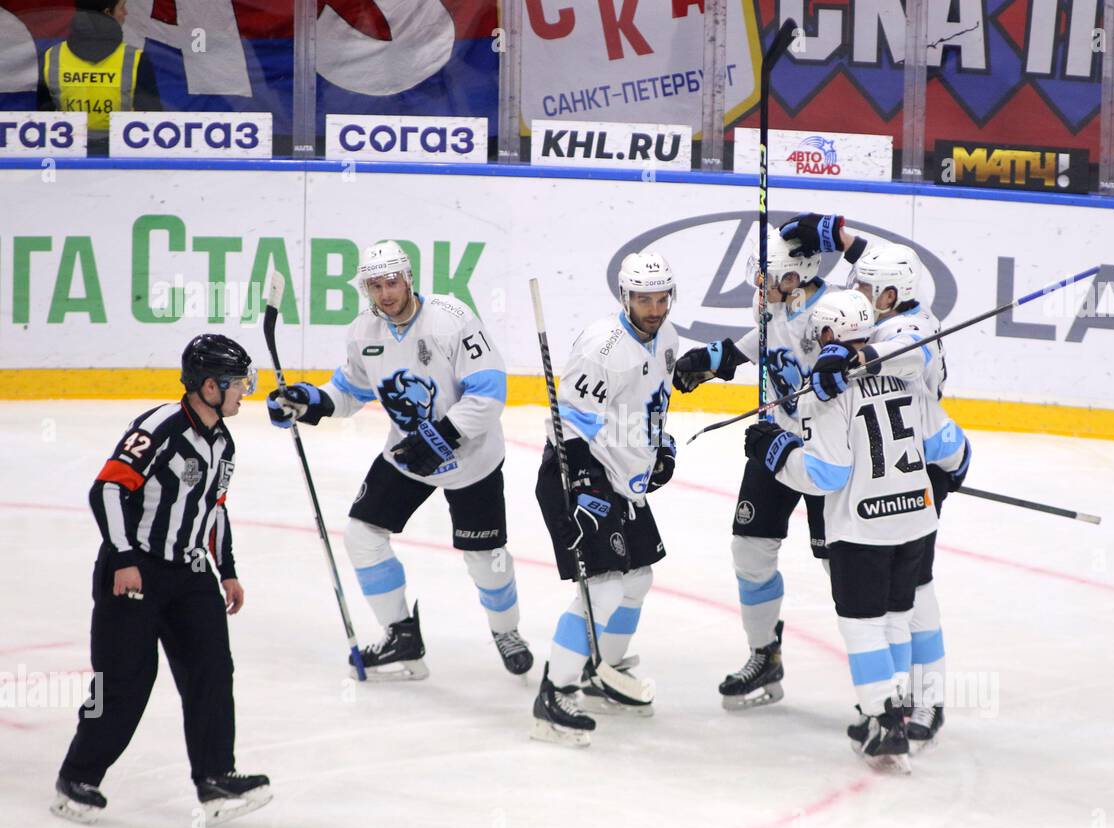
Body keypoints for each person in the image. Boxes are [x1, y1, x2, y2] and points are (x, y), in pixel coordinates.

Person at [267, 241, 530, 680]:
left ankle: (507, 632)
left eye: (392, 281)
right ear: (366, 289)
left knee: (486, 556)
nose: (386, 293)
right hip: (408, 454)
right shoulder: (363, 332)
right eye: (376, 285)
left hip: (471, 456)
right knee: (362, 534)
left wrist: (440, 437)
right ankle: (401, 635)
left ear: (409, 278)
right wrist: (307, 400)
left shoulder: (451, 318)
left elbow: (489, 393)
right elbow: (349, 392)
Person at [53, 334, 270, 825]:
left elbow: (214, 510)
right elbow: (106, 489)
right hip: (135, 571)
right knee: (126, 680)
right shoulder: (160, 427)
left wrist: (228, 570)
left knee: (211, 670)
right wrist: (124, 556)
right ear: (210, 386)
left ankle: (215, 778)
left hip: (191, 574)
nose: (244, 392)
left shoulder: (223, 441)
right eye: (237, 384)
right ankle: (78, 777)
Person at [671, 213, 868, 710]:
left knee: (840, 567)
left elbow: (878, 272)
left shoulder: (841, 310)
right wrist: (712, 362)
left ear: (796, 274)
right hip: (775, 443)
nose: (759, 285)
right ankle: (765, 655)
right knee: (749, 550)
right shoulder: (772, 304)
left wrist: (835, 231)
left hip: (831, 453)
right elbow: (759, 347)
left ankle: (883, 684)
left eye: (767, 275)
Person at [742, 288, 936, 772]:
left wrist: (776, 451)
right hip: (914, 520)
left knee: (863, 627)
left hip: (863, 527)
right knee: (894, 619)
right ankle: (894, 706)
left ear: (828, 334)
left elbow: (824, 476)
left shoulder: (826, 392)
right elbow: (943, 445)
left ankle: (882, 722)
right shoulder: (904, 371)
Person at [531, 251, 679, 746]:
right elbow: (568, 425)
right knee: (605, 586)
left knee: (638, 578)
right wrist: (586, 488)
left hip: (618, 478)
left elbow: (647, 404)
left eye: (661, 298)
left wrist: (659, 449)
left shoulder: (667, 339)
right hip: (576, 475)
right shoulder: (604, 347)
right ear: (625, 296)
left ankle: (602, 670)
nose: (654, 308)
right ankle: (555, 692)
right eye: (644, 299)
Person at [836, 243, 971, 747]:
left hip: (915, 469)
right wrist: (846, 243)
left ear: (894, 294)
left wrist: (860, 357)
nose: (861, 296)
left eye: (869, 290)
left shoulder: (909, 329)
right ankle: (891, 703)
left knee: (916, 593)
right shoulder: (895, 311)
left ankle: (928, 700)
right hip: (899, 461)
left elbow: (906, 356)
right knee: (897, 602)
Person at [38, 0, 161, 156]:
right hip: (124, 159)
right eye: (122, 8)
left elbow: (41, 119)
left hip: (67, 158)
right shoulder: (135, 59)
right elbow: (153, 119)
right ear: (107, 13)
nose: (126, 13)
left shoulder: (52, 57)